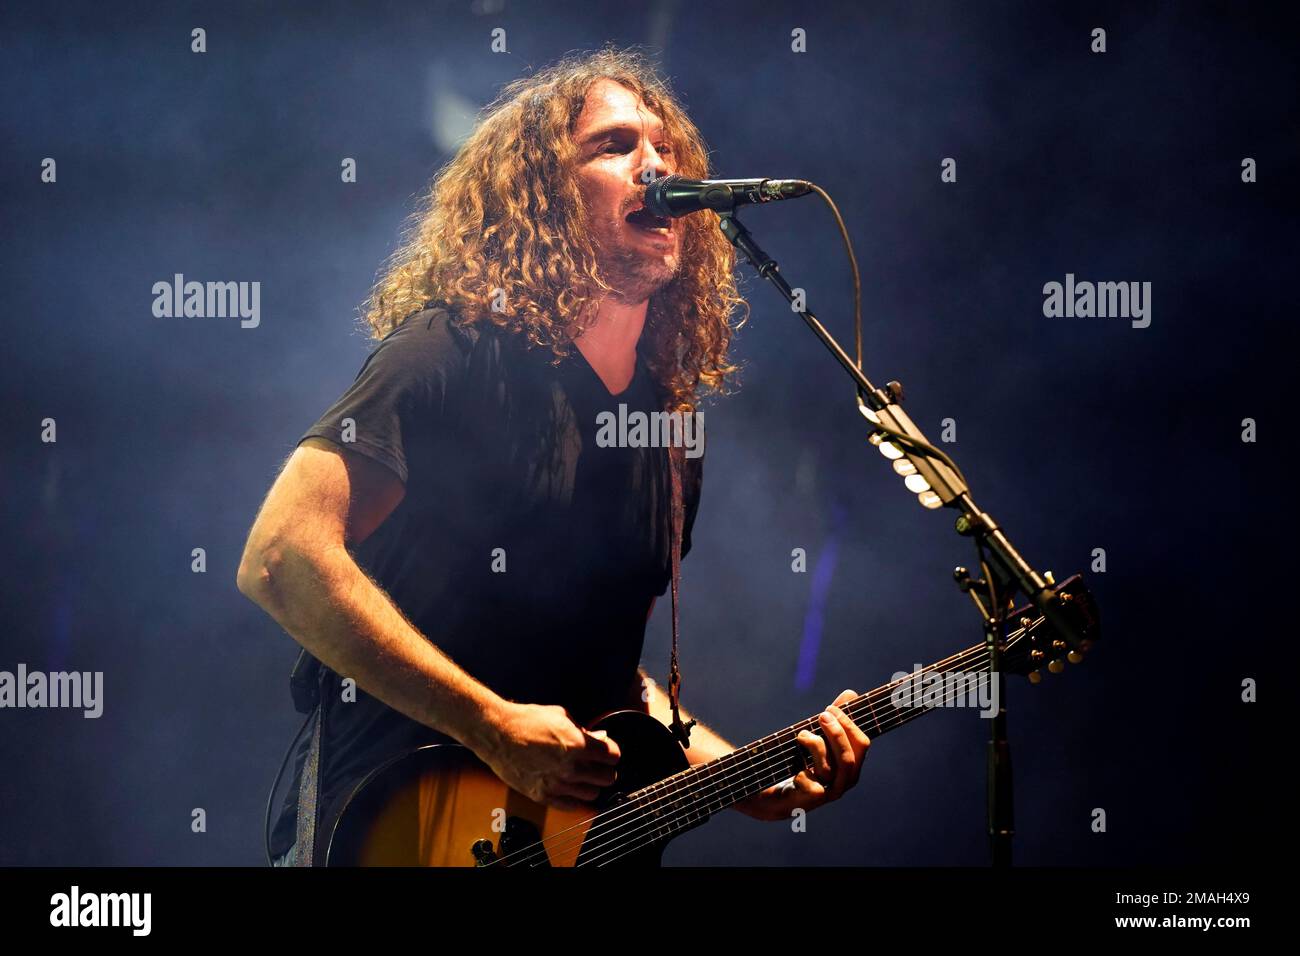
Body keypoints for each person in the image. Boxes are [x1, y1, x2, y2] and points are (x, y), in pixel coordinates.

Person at [236, 47, 870, 867]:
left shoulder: (668, 434)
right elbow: (283, 555)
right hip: (396, 827)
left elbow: (617, 681)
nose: (654, 164)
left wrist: (756, 781)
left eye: (665, 149)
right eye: (613, 145)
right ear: (541, 196)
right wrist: (490, 726)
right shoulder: (451, 352)